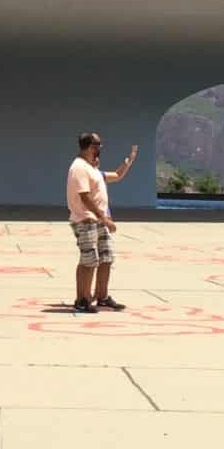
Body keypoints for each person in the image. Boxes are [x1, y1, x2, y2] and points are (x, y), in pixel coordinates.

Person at [66, 131, 138, 315]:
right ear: (90, 146)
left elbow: (117, 175)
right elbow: (85, 197)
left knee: (106, 258)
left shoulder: (93, 170)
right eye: (98, 144)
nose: (101, 148)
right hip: (87, 220)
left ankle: (102, 296)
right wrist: (103, 217)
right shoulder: (79, 167)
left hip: (98, 221)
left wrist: (127, 163)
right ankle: (82, 299)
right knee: (89, 261)